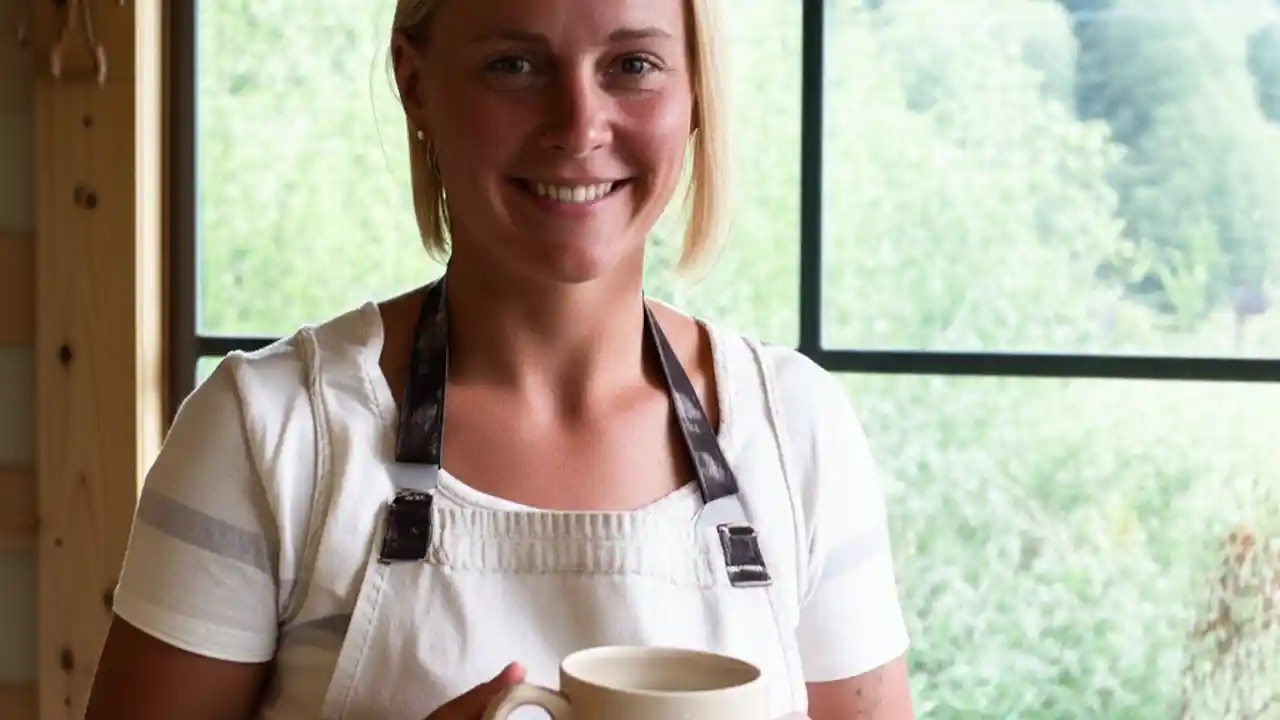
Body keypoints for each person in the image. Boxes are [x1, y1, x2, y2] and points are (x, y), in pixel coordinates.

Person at [85, 0, 915, 717]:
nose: (579, 126)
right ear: (416, 83)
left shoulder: (794, 430)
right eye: (514, 64)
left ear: (695, 88)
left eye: (632, 63)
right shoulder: (269, 434)